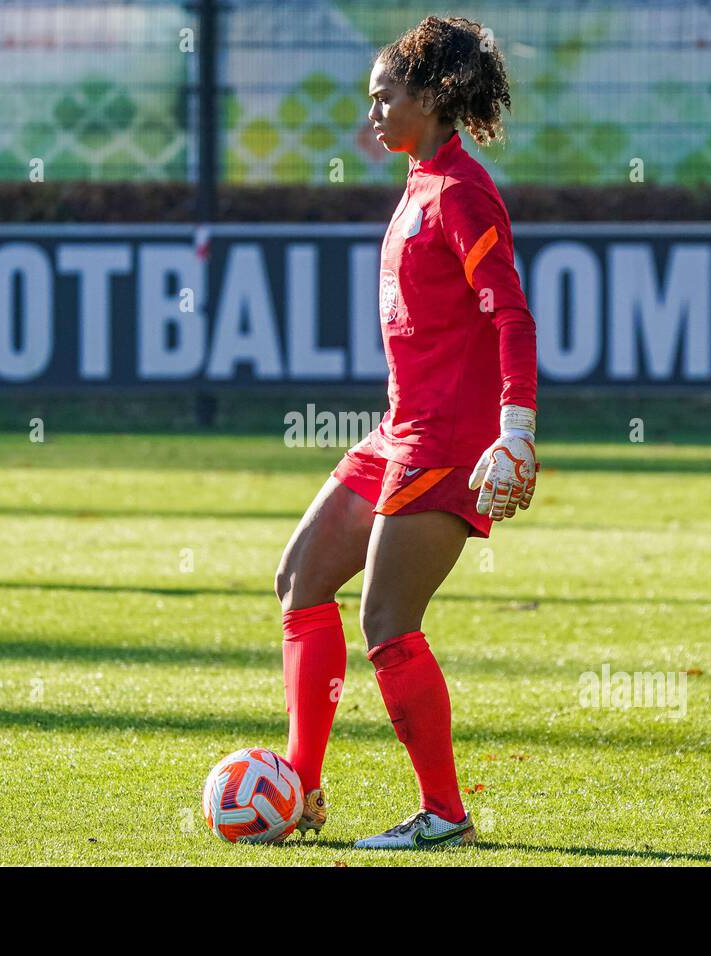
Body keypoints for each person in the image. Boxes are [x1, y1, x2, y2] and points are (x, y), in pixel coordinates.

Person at [274, 15, 541, 850]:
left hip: (449, 442)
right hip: (397, 431)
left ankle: (446, 816)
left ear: (431, 96)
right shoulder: (421, 179)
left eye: (385, 96)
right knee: (300, 578)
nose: (374, 112)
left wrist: (517, 430)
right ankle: (301, 791)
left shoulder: (462, 192)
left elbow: (512, 317)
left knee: (387, 620)